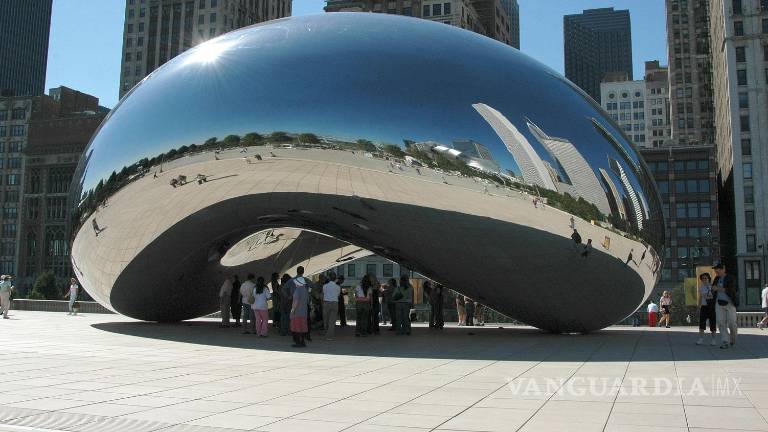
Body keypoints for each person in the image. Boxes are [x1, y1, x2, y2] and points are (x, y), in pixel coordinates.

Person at [712, 262, 739, 349]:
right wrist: (712, 290)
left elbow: (732, 289)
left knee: (732, 323)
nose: (716, 271)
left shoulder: (730, 278)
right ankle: (725, 341)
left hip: (730, 303)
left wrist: (718, 288)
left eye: (718, 269)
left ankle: (733, 338)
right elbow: (713, 288)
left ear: (723, 269)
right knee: (720, 322)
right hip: (718, 303)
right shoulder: (716, 278)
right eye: (715, 269)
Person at [696, 272, 717, 345]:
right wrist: (699, 306)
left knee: (713, 323)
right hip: (704, 306)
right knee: (702, 323)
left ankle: (714, 340)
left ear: (709, 279)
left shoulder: (713, 286)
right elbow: (702, 297)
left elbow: (713, 296)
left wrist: (709, 294)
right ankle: (701, 339)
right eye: (703, 279)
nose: (704, 280)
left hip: (712, 307)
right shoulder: (701, 287)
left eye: (706, 278)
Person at [289, 273, 309, 348]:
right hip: (304, 312)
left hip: (297, 312)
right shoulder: (305, 290)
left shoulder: (297, 290)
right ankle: (303, 342)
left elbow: (296, 301)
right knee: (302, 327)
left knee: (297, 327)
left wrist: (292, 310)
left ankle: (298, 342)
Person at [322, 271, 341, 340]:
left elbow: (324, 293)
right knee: (332, 321)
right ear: (335, 278)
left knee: (326, 320)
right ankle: (329, 336)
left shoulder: (325, 286)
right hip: (335, 303)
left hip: (326, 303)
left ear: (329, 278)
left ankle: (327, 332)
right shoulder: (338, 287)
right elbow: (338, 295)